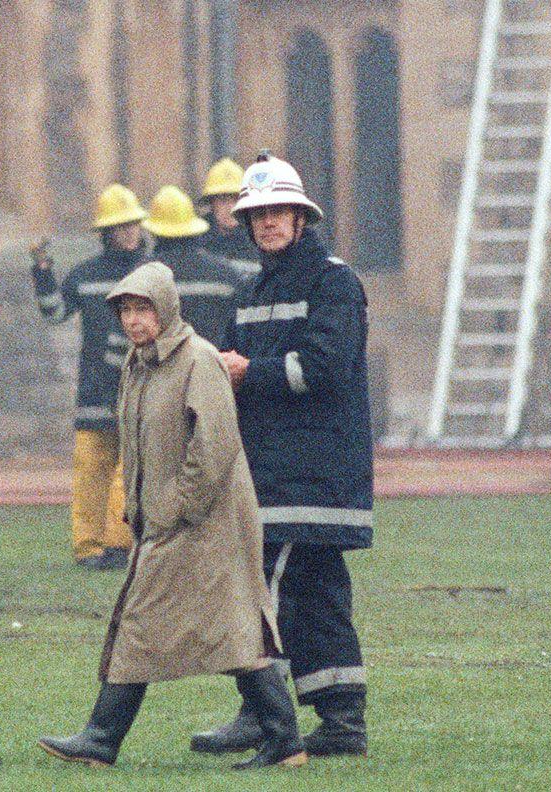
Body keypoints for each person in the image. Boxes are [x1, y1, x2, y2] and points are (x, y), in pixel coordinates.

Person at [37, 262, 306, 771]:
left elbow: (215, 445)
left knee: (151, 621)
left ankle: (102, 737)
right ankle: (284, 738)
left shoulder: (198, 361)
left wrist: (172, 508)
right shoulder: (138, 365)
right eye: (126, 311)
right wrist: (138, 510)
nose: (135, 321)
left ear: (167, 308)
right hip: (168, 521)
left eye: (144, 309)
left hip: (208, 521)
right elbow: (139, 448)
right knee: (232, 628)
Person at [192, 152, 373, 758]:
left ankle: (264, 717)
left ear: (301, 217)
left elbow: (324, 369)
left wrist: (250, 373)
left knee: (258, 590)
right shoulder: (250, 290)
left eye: (278, 212)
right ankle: (343, 724)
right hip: (271, 471)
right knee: (318, 595)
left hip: (314, 473)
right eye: (258, 214)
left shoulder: (333, 281)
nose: (267, 222)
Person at [30, 184, 146, 569]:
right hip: (95, 388)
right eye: (121, 226)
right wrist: (43, 273)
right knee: (90, 470)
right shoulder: (86, 275)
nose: (129, 233)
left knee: (129, 470)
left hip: (140, 387)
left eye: (133, 225)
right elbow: (55, 312)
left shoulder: (154, 272)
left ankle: (118, 544)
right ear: (106, 233)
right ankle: (87, 547)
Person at [141, 185, 244, 347]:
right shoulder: (227, 274)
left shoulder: (141, 275)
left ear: (154, 231)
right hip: (214, 367)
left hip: (160, 370)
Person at [197, 157, 261, 273]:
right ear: (211, 203)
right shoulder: (197, 242)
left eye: (236, 199)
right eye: (223, 200)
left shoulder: (259, 238)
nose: (231, 208)